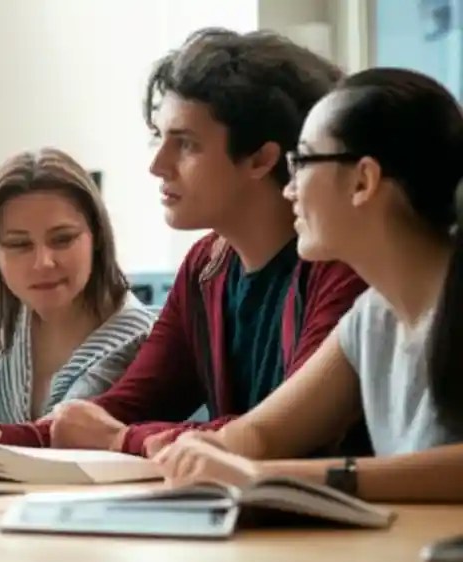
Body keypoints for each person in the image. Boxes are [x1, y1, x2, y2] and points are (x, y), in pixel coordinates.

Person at [0, 29, 367, 458]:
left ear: (261, 158)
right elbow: (116, 410)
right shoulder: (206, 267)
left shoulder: (340, 263)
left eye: (184, 145)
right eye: (158, 139)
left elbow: (273, 435)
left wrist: (124, 439)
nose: (158, 165)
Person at [155, 68, 463, 503]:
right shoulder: (372, 317)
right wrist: (210, 451)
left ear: (363, 181)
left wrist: (272, 476)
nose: (289, 189)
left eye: (301, 162)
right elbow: (262, 434)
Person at [0, 148, 154, 452]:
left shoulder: (140, 338)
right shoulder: (10, 323)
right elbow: (12, 427)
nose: (43, 262)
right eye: (18, 244)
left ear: (97, 237)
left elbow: (57, 442)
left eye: (63, 239)